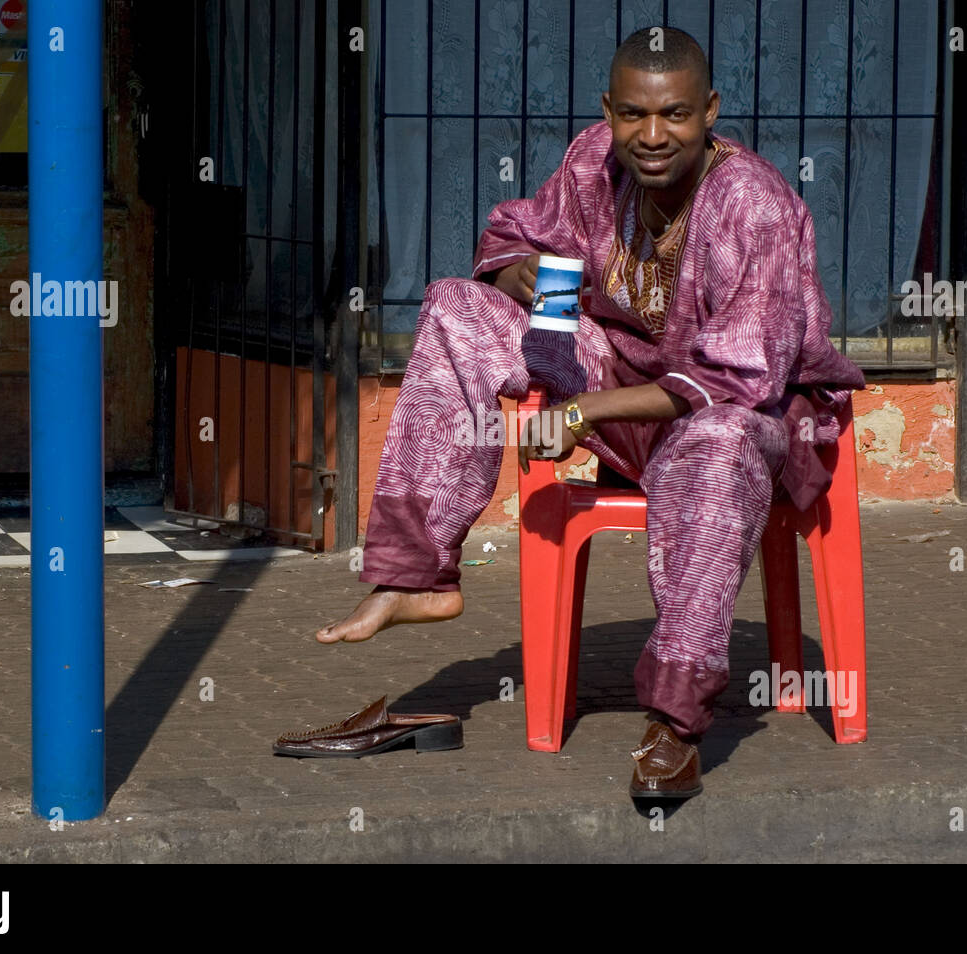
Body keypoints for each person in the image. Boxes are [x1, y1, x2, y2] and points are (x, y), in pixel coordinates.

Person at [313, 26, 865, 799]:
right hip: (626, 393)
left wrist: (581, 414)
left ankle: (675, 725)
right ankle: (419, 572)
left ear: (709, 111)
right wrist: (523, 276)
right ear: (609, 110)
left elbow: (740, 378)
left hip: (749, 425)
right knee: (454, 306)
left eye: (674, 115)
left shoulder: (754, 206)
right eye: (634, 115)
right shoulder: (591, 162)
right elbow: (511, 239)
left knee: (715, 439)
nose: (652, 135)